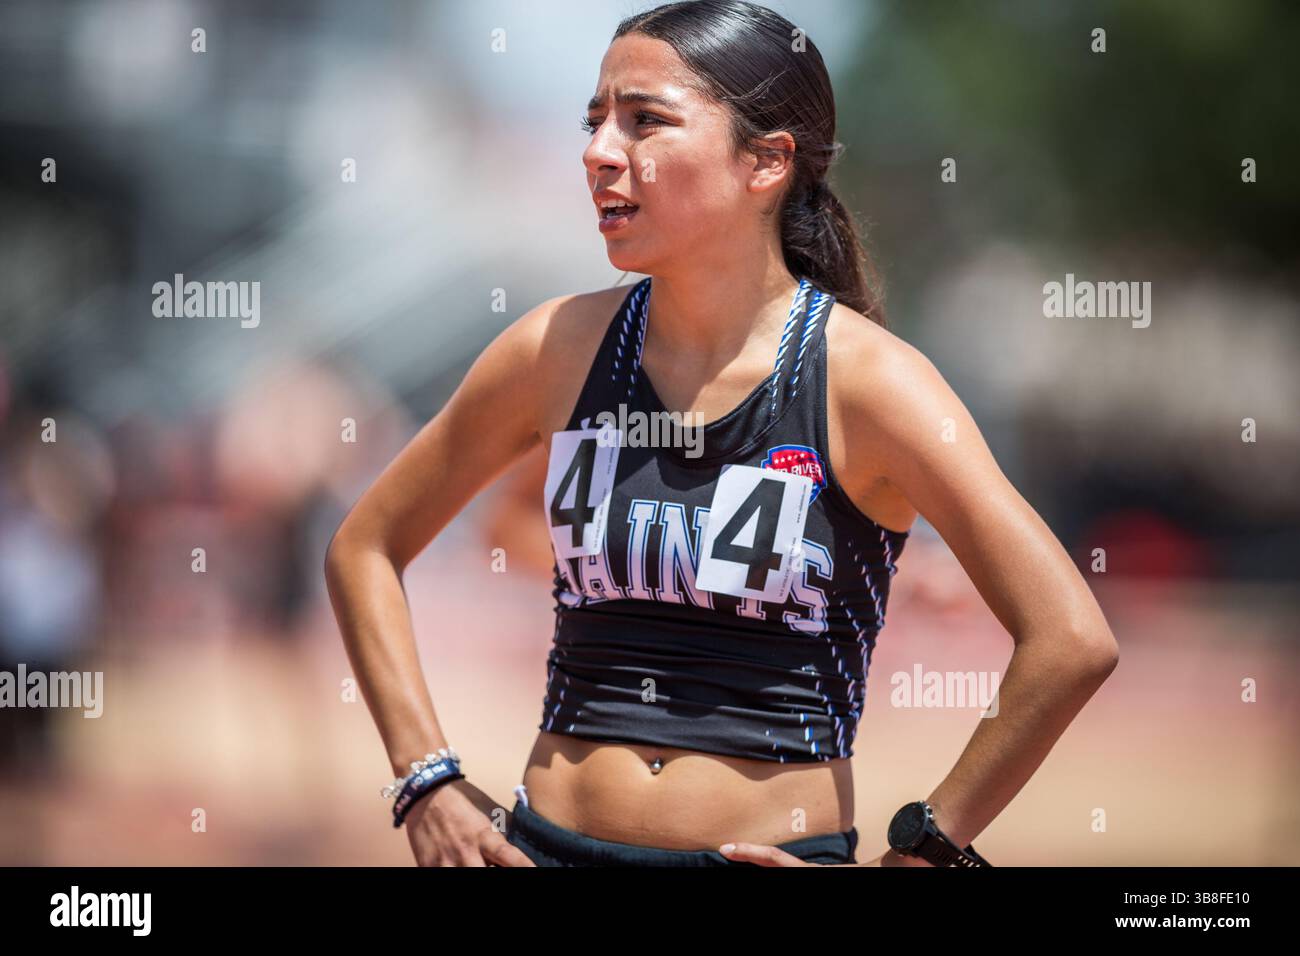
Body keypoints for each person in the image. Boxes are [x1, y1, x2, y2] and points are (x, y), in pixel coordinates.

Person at [324, 0, 1118, 867]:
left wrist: (924, 854)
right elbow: (365, 547)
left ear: (767, 160)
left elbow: (1069, 640)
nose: (598, 151)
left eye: (646, 121)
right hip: (545, 848)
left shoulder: (871, 382)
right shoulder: (553, 349)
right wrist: (425, 779)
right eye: (594, 122)